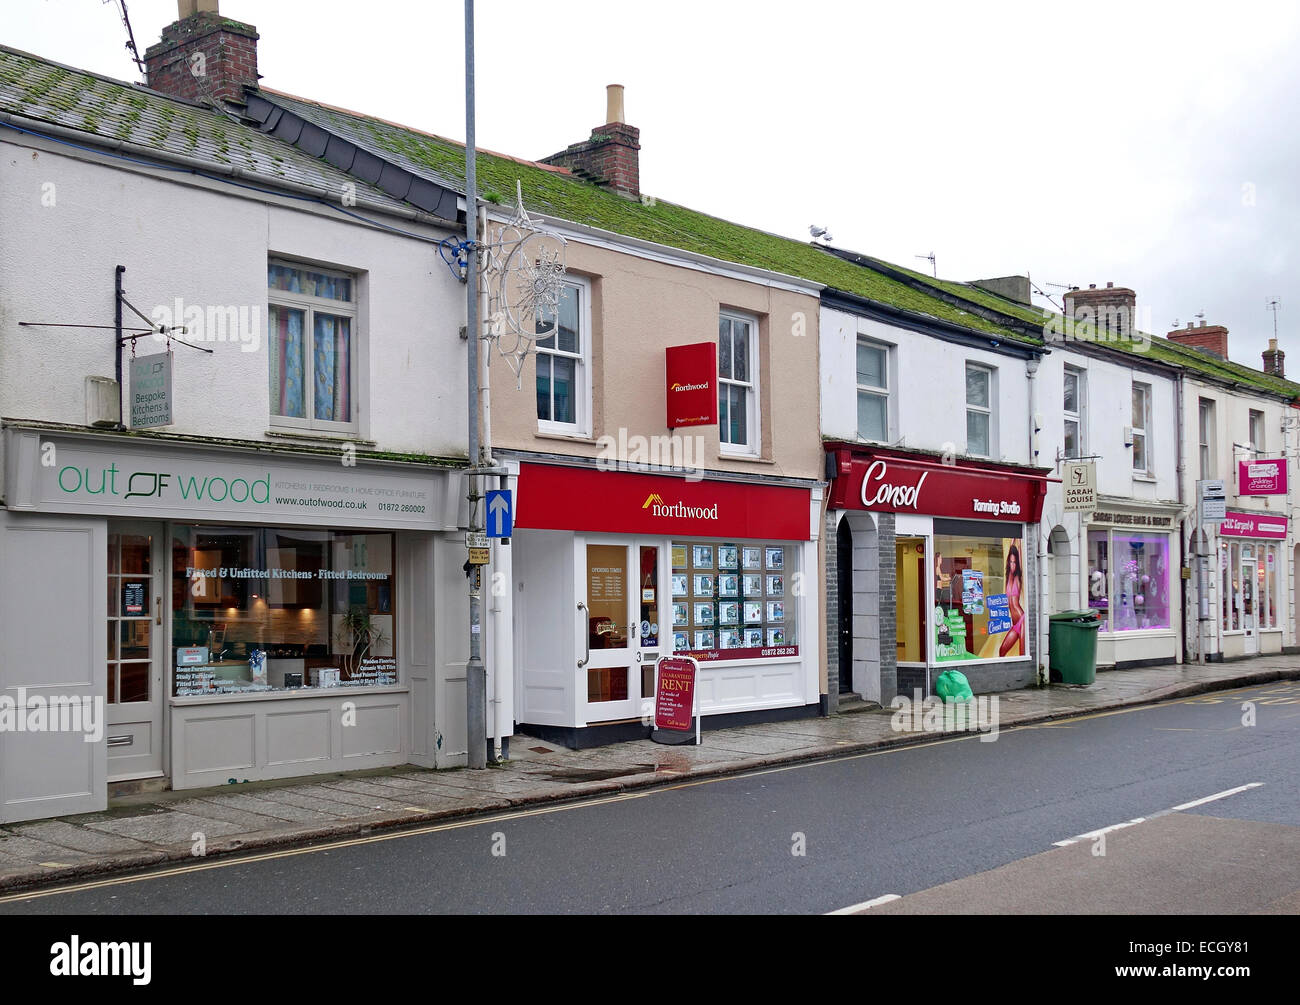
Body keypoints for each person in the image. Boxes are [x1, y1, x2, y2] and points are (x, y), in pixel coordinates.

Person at [1000, 543, 1025, 657]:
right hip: (1015, 625)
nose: (1012, 565)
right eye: (1011, 562)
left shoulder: (1017, 577)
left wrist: (1017, 540)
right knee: (1002, 651)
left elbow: (1019, 550)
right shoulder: (1008, 576)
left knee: (1022, 654)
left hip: (1022, 620)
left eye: (1014, 562)